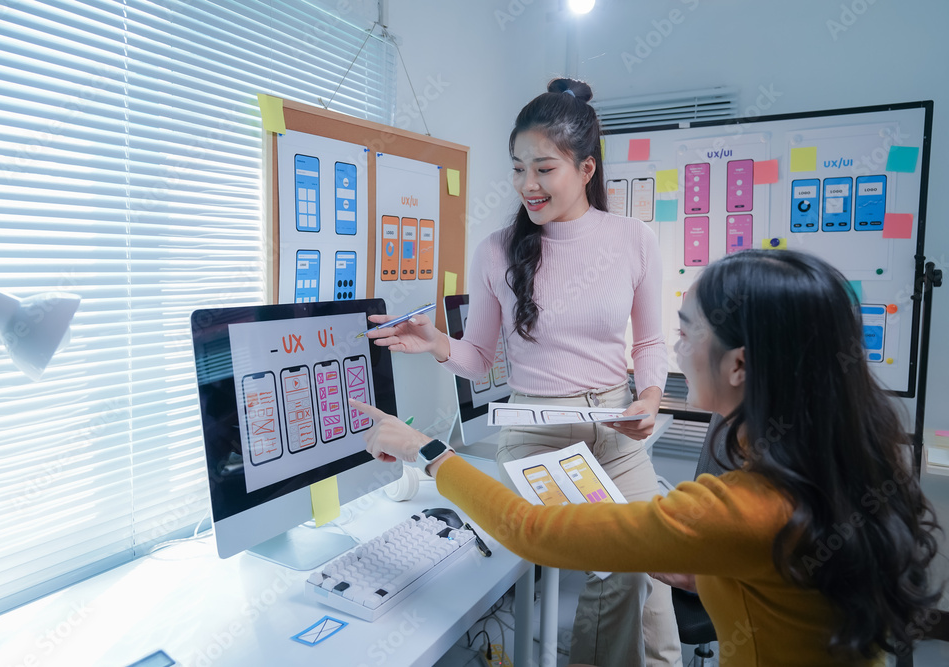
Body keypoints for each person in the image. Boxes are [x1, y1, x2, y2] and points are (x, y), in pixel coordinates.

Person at [352, 249, 943, 666]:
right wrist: (707, 569)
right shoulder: (838, 460)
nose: (673, 346)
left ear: (739, 365)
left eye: (687, 332)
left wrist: (425, 451)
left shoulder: (742, 506)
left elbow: (529, 529)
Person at [365, 78, 679, 666]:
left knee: (654, 575)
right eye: (517, 169)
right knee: (621, 568)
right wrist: (439, 344)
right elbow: (478, 359)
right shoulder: (496, 250)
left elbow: (652, 341)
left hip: (617, 429)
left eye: (543, 169)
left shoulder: (634, 239)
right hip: (538, 435)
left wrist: (652, 396)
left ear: (586, 169)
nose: (526, 185)